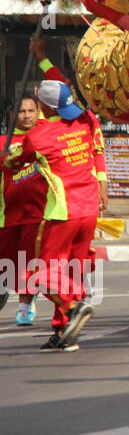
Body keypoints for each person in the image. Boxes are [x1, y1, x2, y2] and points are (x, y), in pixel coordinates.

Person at [2, 46, 107, 351]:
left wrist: (6, 157)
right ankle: (64, 331)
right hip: (89, 212)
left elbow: (12, 162)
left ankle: (75, 305)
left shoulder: (40, 137)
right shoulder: (86, 120)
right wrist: (41, 57)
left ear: (42, 108)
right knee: (70, 268)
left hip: (62, 213)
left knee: (42, 271)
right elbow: (60, 86)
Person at [1, 95, 44, 326]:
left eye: (31, 110)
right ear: (11, 115)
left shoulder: (45, 139)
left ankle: (26, 304)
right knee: (6, 262)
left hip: (38, 213)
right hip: (6, 214)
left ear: (38, 112)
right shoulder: (2, 143)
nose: (27, 115)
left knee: (29, 262)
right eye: (21, 111)